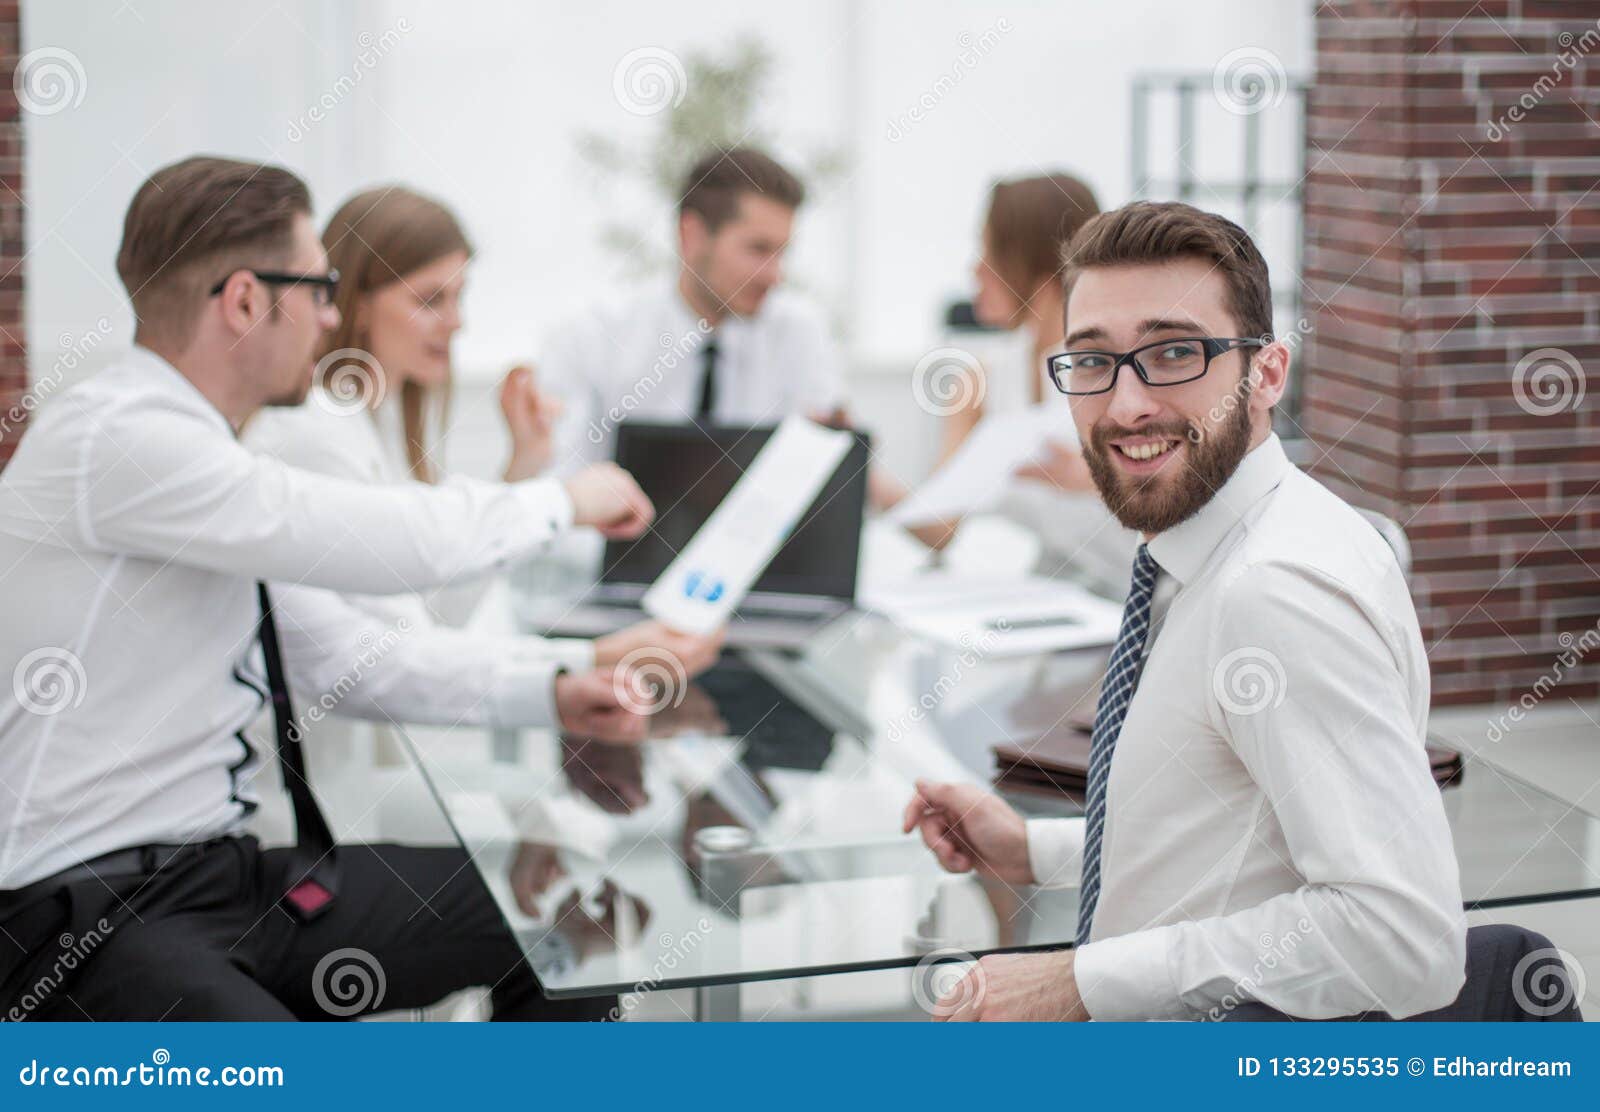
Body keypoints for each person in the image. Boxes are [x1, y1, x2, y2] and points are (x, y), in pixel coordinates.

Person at [0, 156, 658, 1021]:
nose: (332, 314)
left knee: (557, 909)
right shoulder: (119, 439)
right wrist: (560, 497)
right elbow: (389, 543)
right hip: (87, 914)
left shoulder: (210, 464)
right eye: (318, 287)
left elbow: (348, 659)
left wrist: (554, 689)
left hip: (222, 880)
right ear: (243, 300)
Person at [903, 200, 1468, 1021]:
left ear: (1268, 372)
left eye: (1174, 354)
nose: (1127, 405)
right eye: (1092, 362)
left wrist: (1077, 983)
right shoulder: (1204, 543)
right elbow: (1233, 836)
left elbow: (1402, 937)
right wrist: (1037, 849)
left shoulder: (1274, 594)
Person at [245, 186, 722, 773]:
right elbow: (395, 653)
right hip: (322, 794)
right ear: (356, 302)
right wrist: (588, 657)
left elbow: (436, 605)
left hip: (362, 780)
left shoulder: (377, 421)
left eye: (459, 296)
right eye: (429, 300)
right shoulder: (315, 436)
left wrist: (522, 465)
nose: (456, 322)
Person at [876, 173, 1137, 592]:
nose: (975, 270)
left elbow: (1187, 511)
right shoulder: (978, 380)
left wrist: (1098, 482)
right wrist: (862, 478)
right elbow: (942, 529)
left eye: (990, 252)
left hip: (1139, 600)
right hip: (1050, 601)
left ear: (1036, 264)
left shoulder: (1126, 371)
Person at [539, 147, 847, 470]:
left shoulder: (800, 334)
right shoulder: (592, 337)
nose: (775, 275)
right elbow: (561, 481)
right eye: (758, 249)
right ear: (693, 235)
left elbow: (835, 474)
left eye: (782, 253)